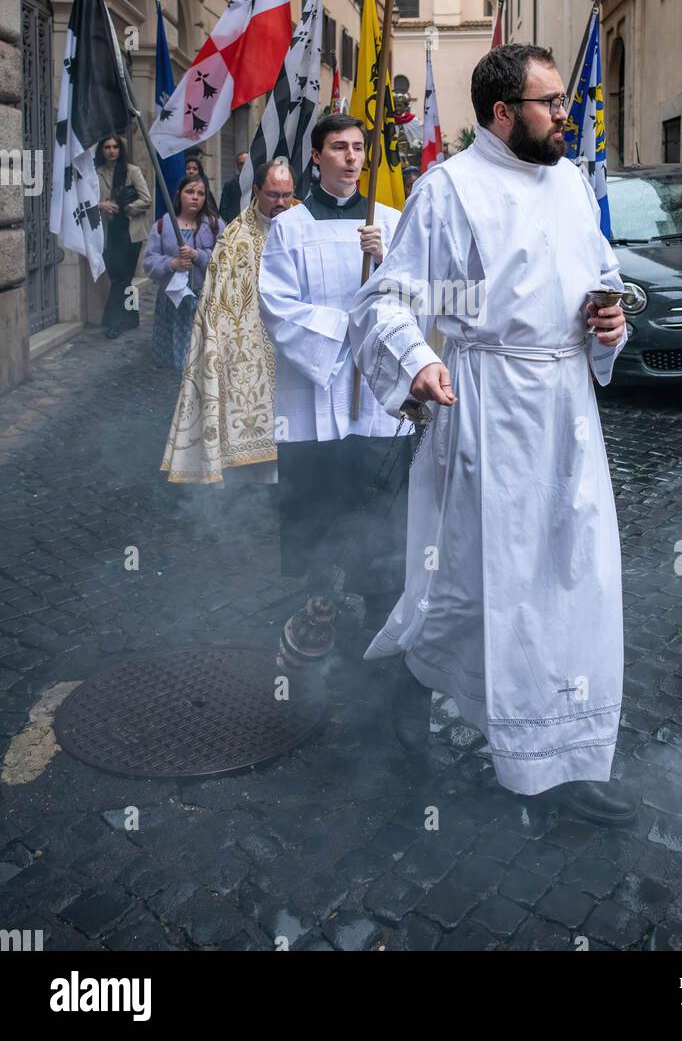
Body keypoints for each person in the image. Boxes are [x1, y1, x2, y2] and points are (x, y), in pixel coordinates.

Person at [348, 44, 635, 826]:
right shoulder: (451, 190)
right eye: (550, 102)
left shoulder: (572, 183)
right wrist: (416, 365)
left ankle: (567, 761)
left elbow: (599, 279)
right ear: (503, 113)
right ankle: (409, 694)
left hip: (568, 416)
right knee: (477, 584)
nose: (565, 113)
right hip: (485, 411)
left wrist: (607, 318)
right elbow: (386, 302)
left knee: (576, 583)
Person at [259, 115, 409, 596]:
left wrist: (386, 262)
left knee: (375, 502)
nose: (351, 157)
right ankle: (315, 598)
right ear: (316, 157)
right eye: (339, 147)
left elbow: (417, 302)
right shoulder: (288, 227)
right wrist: (349, 330)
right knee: (318, 501)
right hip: (312, 387)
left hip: (376, 395)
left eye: (359, 148)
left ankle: (376, 592)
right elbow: (277, 308)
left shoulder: (390, 222)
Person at [161, 161, 299, 484]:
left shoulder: (302, 224)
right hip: (250, 342)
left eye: (288, 195)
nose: (281, 204)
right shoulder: (235, 237)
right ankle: (257, 484)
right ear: (256, 192)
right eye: (274, 195)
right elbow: (219, 303)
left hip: (295, 340)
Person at [143, 175, 224, 372]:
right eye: (190, 192)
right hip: (172, 299)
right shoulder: (163, 225)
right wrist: (172, 263)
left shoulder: (215, 225)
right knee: (175, 356)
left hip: (203, 296)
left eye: (200, 193)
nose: (195, 197)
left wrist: (198, 255)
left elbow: (226, 259)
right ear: (180, 195)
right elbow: (148, 261)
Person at [95, 134, 152, 339]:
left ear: (120, 149)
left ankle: (114, 322)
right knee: (118, 277)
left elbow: (146, 199)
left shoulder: (132, 171)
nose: (111, 151)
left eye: (115, 147)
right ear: (102, 150)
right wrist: (102, 205)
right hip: (109, 233)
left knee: (122, 278)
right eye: (107, 147)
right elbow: (89, 200)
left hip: (130, 231)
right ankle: (132, 317)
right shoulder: (97, 172)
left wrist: (127, 207)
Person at [184, 151, 219, 218]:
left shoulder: (206, 191)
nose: (191, 171)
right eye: (188, 168)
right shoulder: (177, 190)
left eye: (195, 169)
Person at [219, 151, 248, 226]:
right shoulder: (229, 185)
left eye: (246, 163)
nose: (244, 166)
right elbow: (223, 209)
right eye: (241, 164)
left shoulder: (258, 183)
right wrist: (233, 222)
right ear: (237, 166)